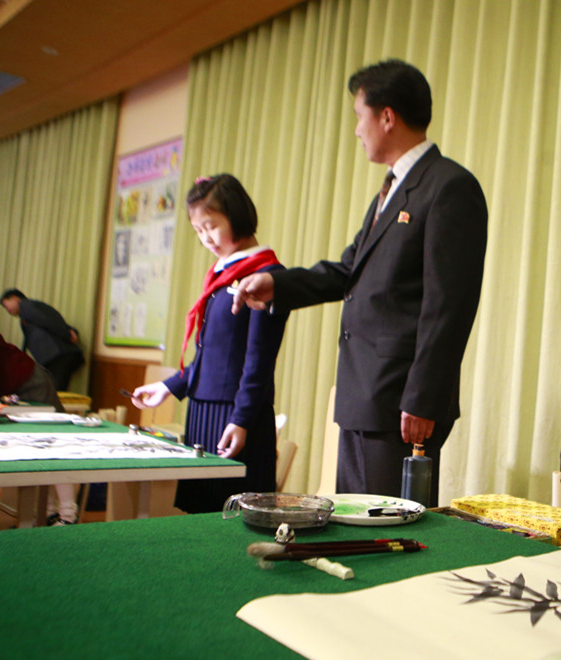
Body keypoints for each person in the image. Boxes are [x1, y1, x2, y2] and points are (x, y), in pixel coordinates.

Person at [232, 59, 488, 507]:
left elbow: (449, 305)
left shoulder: (448, 187)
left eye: (359, 116)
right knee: (360, 523)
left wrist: (424, 398)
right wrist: (277, 284)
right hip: (364, 393)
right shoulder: (389, 192)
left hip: (400, 403)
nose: (356, 130)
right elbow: (349, 270)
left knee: (390, 535)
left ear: (387, 116)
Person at [131, 174, 289, 513]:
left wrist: (242, 419)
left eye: (212, 226)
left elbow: (259, 359)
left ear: (237, 215)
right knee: (198, 514)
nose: (206, 238)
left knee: (233, 517)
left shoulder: (266, 274)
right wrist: (169, 386)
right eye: (199, 231)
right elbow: (210, 352)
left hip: (236, 414)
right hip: (202, 410)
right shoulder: (222, 275)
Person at [0, 279, 81, 525]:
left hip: (32, 383)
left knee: (55, 444)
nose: (7, 308)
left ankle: (68, 514)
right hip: (13, 388)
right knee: (34, 448)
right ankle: (47, 514)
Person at [0, 289, 84, 391]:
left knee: (56, 393)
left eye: (6, 304)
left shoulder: (26, 306)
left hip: (58, 355)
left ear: (15, 298)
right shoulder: (26, 315)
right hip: (55, 357)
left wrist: (68, 335)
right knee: (54, 391)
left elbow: (48, 321)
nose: (6, 309)